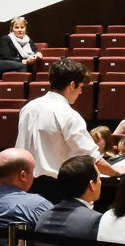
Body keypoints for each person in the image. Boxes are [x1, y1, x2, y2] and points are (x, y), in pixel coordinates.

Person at [15, 59, 107, 196]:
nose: (81, 92)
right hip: (54, 188)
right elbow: (89, 155)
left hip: (23, 183)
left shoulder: (28, 107)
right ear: (72, 85)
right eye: (80, 87)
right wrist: (117, 171)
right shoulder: (68, 114)